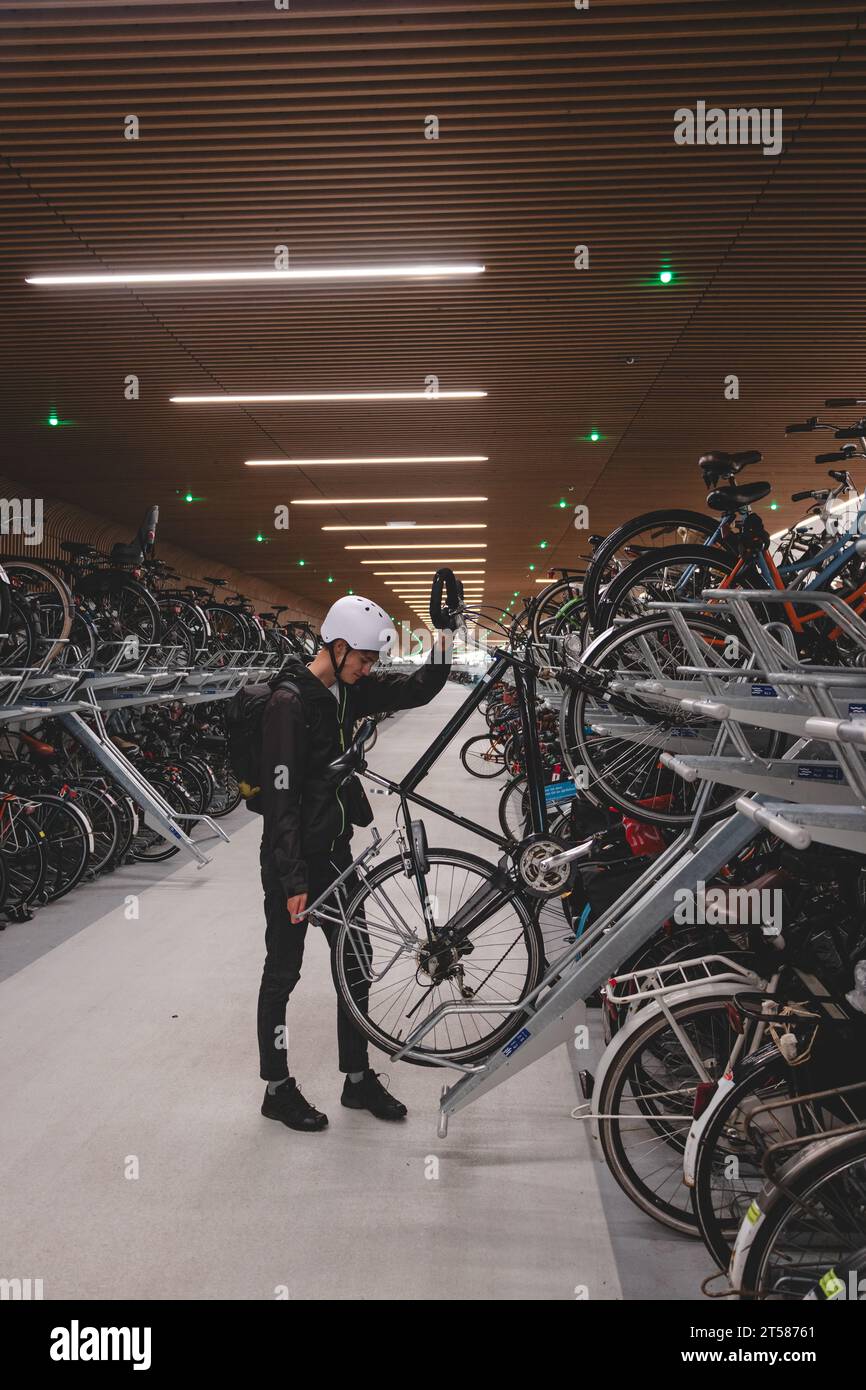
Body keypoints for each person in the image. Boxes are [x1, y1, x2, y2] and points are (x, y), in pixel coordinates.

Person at [257, 595, 451, 1132]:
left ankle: (357, 1079)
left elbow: (414, 689)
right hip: (293, 864)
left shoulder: (346, 692)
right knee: (283, 973)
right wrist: (293, 879)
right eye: (364, 659)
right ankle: (277, 1087)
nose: (369, 669)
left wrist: (442, 638)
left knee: (357, 961)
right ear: (337, 647)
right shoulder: (288, 705)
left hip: (337, 856)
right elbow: (281, 803)